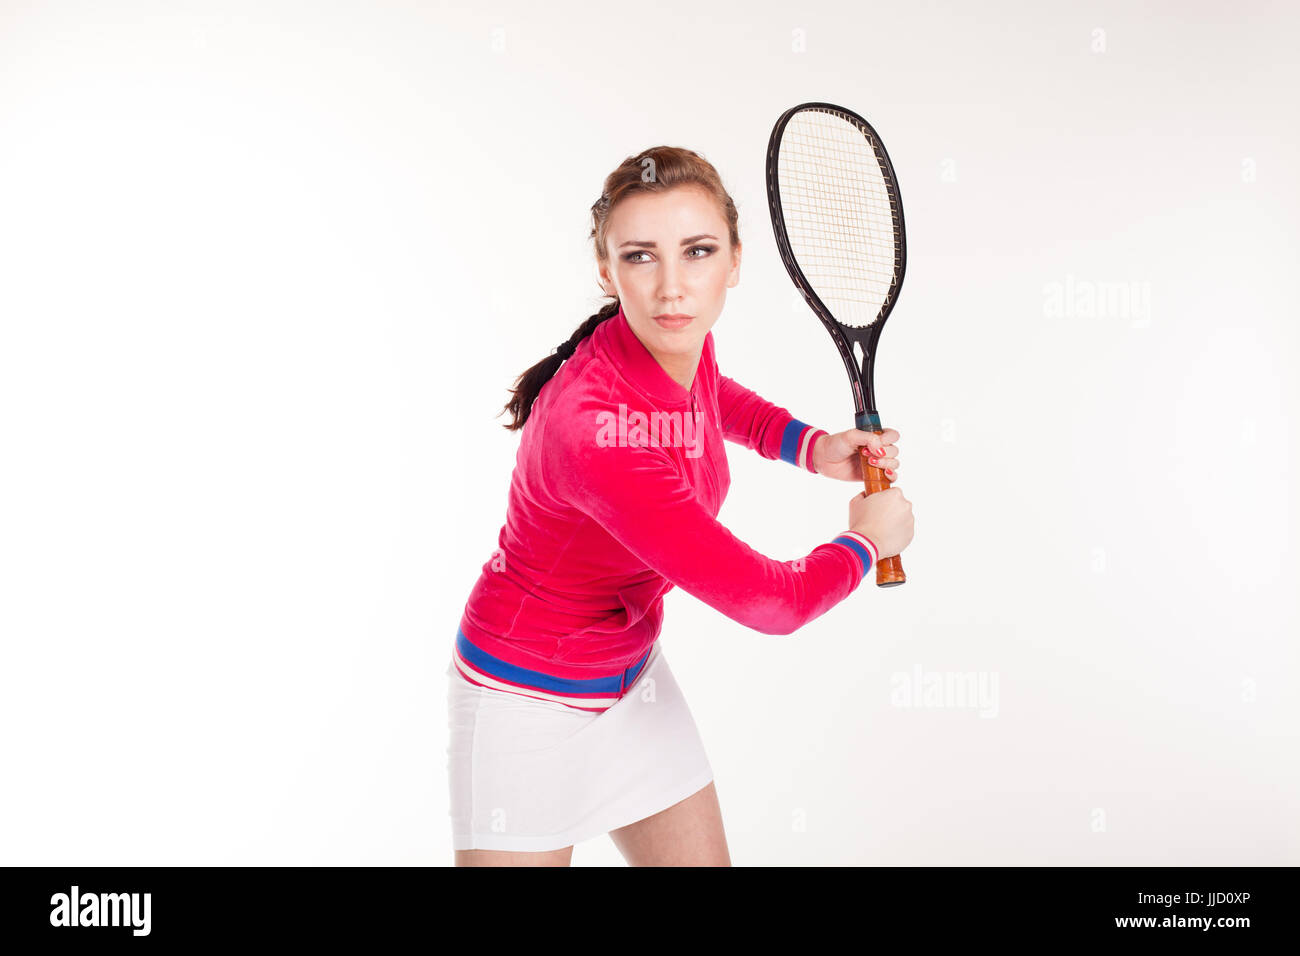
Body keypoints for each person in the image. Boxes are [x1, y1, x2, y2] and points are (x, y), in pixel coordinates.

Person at [446, 145, 914, 866]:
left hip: (632, 681)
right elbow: (771, 603)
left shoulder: (675, 339)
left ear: (733, 260)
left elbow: (710, 396)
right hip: (523, 702)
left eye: (697, 251)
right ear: (606, 270)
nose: (672, 287)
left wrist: (810, 445)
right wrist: (866, 544)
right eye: (640, 257)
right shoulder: (594, 433)